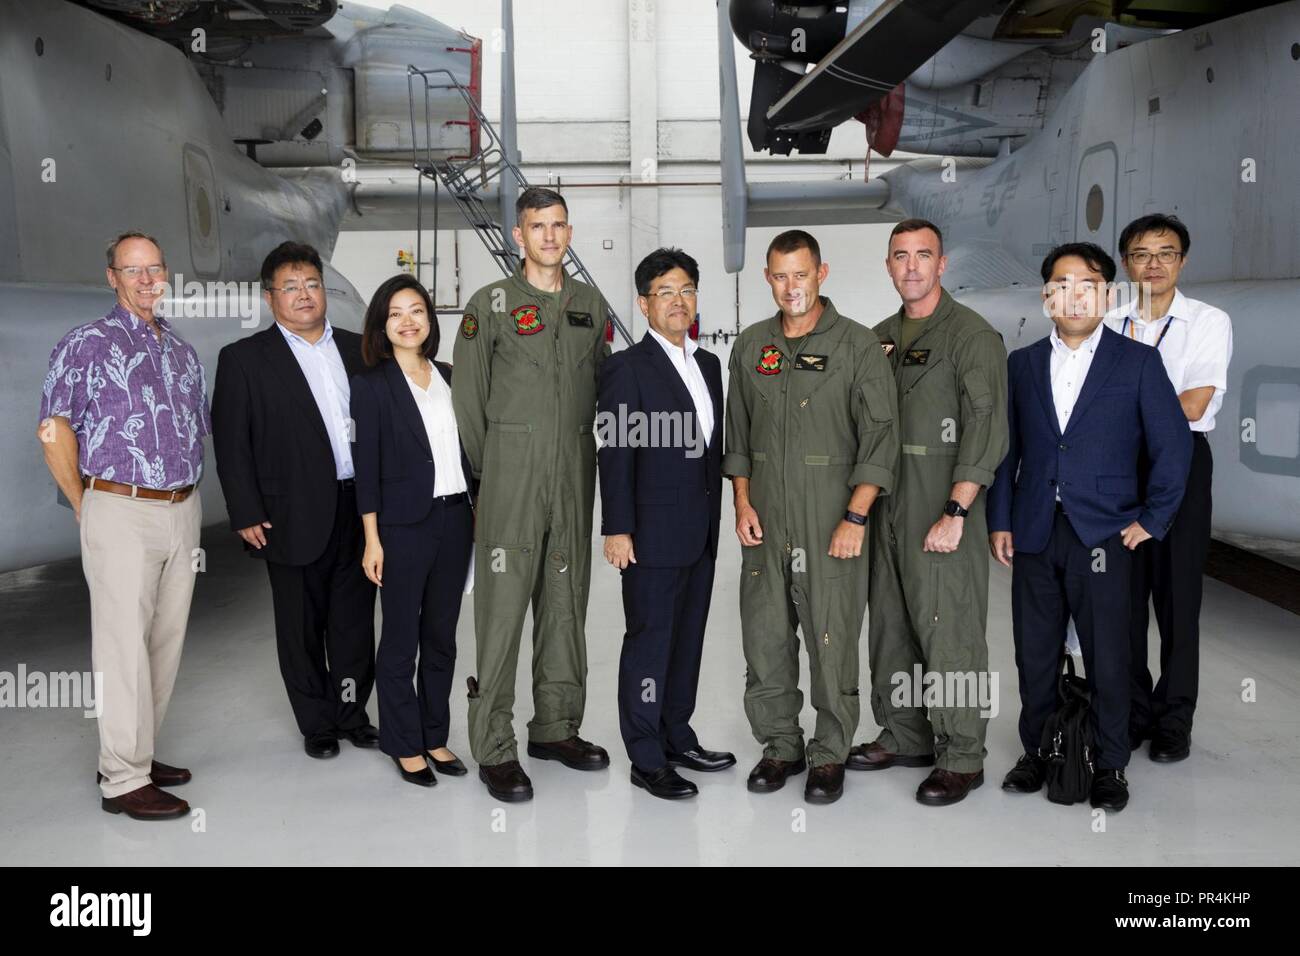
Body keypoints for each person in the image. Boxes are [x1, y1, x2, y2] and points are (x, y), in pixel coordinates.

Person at [990, 242, 1192, 812]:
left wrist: (1152, 520)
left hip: (1105, 535)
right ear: (1046, 295)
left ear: (1106, 293)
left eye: (1088, 284)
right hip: (1034, 531)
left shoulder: (1136, 362)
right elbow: (1008, 453)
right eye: (1062, 284)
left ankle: (1110, 764)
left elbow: (1173, 448)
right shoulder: (1022, 363)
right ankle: (1037, 752)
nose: (1074, 295)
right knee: (1035, 652)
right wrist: (1000, 519)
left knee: (1110, 655)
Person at [723, 229, 899, 805]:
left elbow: (880, 439)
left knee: (832, 640)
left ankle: (829, 753)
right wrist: (743, 502)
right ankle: (780, 747)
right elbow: (739, 439)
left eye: (800, 274)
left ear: (821, 274)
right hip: (766, 522)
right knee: (766, 639)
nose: (790, 286)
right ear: (767, 278)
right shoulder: (751, 346)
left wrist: (855, 517)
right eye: (779, 275)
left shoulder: (856, 345)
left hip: (832, 522)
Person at [38, 231, 209, 820]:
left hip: (181, 510)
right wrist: (86, 505)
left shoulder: (182, 351)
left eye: (153, 269)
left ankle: (137, 752)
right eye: (131, 270)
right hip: (119, 508)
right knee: (121, 648)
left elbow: (194, 430)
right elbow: (54, 431)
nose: (144, 279)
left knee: (163, 642)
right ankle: (123, 779)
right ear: (111, 277)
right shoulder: (86, 343)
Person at [451, 187, 612, 802]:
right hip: (510, 474)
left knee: (567, 603)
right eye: (536, 226)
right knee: (501, 612)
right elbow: (469, 399)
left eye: (558, 225)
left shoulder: (591, 305)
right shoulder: (489, 304)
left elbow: (597, 387)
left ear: (570, 232)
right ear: (518, 236)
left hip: (574, 468)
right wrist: (492, 472)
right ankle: (494, 744)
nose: (548, 236)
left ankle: (555, 727)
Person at [853, 218, 1008, 807]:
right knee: (891, 626)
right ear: (889, 266)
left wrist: (957, 509)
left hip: (941, 504)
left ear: (942, 264)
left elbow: (987, 429)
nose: (912, 266)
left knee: (950, 631)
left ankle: (962, 754)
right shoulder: (877, 339)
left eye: (924, 255)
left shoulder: (971, 336)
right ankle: (905, 733)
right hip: (887, 505)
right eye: (900, 256)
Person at [211, 241, 379, 760]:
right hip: (288, 514)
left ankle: (352, 714)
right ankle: (318, 723)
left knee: (353, 622)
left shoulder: (361, 350)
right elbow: (230, 441)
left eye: (311, 284)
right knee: (300, 625)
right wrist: (245, 511)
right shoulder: (244, 360)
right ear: (270, 299)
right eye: (290, 287)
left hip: (361, 509)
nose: (303, 295)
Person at [598, 248, 734, 800]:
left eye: (686, 291)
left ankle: (678, 733)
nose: (678, 302)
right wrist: (617, 528)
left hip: (700, 533)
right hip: (649, 537)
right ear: (644, 303)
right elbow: (615, 451)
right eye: (665, 293)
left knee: (688, 640)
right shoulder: (625, 368)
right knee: (650, 645)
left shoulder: (708, 365)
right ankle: (646, 753)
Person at [1106, 214, 1232, 762]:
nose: (1153, 264)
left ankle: (1174, 719)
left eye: (1165, 253)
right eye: (1140, 254)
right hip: (1116, 468)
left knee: (1179, 600)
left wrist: (1126, 416)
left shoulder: (1208, 321)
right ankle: (1133, 710)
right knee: (1123, 600)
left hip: (1180, 464)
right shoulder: (1109, 322)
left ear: (1182, 260)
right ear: (1126, 263)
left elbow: (1195, 404)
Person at [350, 275, 475, 788]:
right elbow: (367, 469)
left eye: (417, 310)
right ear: (383, 324)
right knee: (401, 638)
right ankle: (403, 741)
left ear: (429, 318)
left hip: (456, 519)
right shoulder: (372, 385)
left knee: (441, 636)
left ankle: (434, 733)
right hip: (402, 527)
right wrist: (372, 540)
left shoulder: (450, 376)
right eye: (396, 313)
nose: (408, 321)